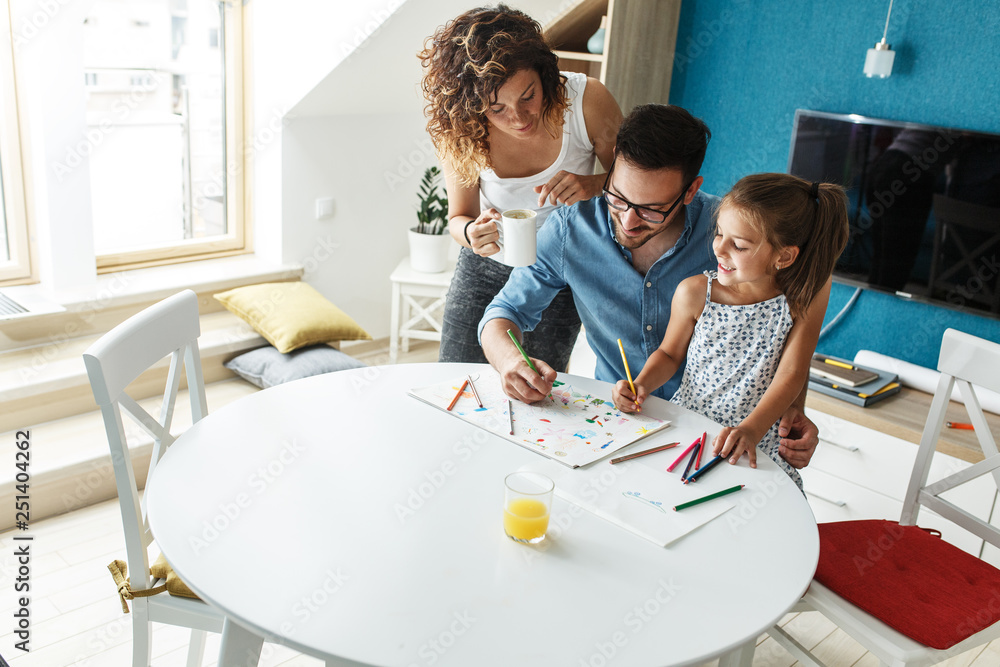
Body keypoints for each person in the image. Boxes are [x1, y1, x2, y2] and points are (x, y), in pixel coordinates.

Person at [480, 104, 821, 469]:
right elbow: (503, 313)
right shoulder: (570, 231)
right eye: (618, 197)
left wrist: (793, 409)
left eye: (651, 209)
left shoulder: (734, 234)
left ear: (690, 191)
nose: (628, 220)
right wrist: (511, 361)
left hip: (712, 435)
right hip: (618, 422)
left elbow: (793, 309)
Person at [419, 5, 623, 371]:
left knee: (538, 387)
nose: (518, 118)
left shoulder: (585, 100)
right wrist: (470, 232)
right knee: (457, 382)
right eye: (496, 109)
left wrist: (592, 184)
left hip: (559, 271)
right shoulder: (461, 128)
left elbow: (635, 186)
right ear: (472, 106)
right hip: (484, 271)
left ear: (545, 74)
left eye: (528, 96)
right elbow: (458, 217)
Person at [612, 174, 849, 487]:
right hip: (692, 432)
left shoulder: (806, 294)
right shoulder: (695, 292)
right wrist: (641, 383)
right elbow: (669, 354)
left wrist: (751, 430)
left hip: (756, 442)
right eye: (719, 234)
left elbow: (792, 373)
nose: (719, 249)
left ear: (784, 256)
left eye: (738, 245)